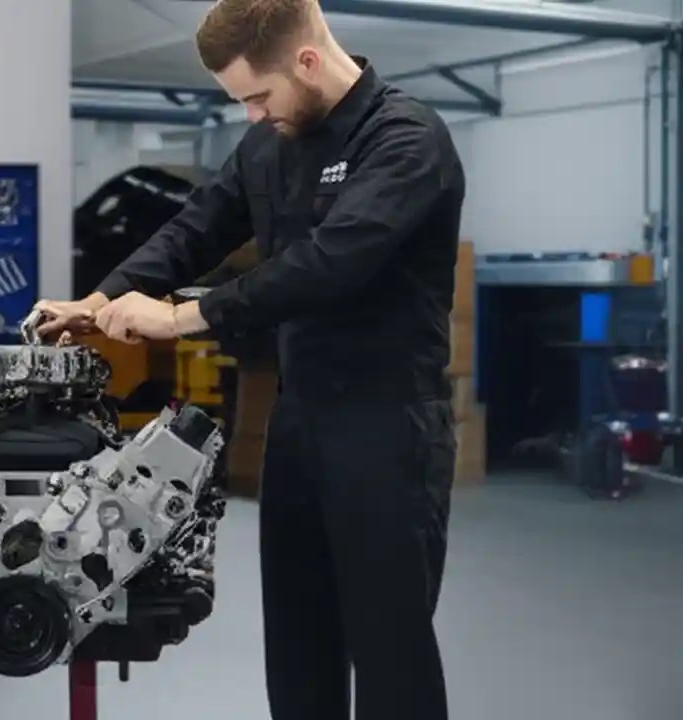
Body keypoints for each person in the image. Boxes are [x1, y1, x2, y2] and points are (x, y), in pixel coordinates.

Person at [34, 1, 465, 718]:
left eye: (257, 97)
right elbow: (196, 226)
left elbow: (329, 264)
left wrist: (178, 317)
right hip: (300, 422)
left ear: (306, 60)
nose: (255, 116)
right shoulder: (269, 144)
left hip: (389, 427)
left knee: (390, 649)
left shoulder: (406, 138)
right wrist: (99, 299)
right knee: (298, 643)